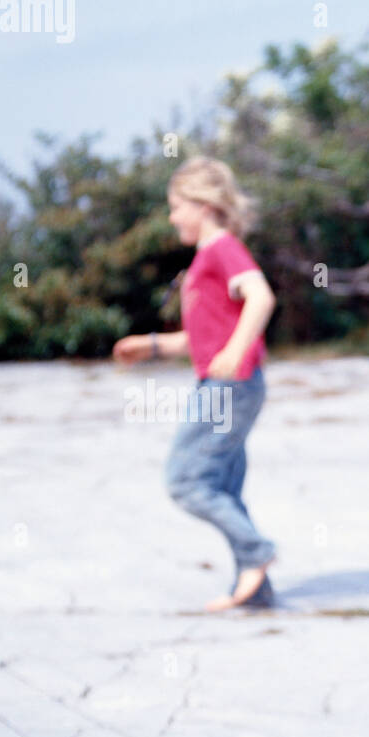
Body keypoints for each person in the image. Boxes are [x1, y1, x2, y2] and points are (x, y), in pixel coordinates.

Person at [112, 156, 277, 611]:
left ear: (204, 206)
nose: (172, 217)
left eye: (177, 206)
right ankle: (256, 589)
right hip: (234, 383)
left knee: (185, 481)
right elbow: (203, 336)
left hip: (229, 386)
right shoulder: (207, 258)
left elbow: (261, 299)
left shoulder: (222, 248)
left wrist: (233, 353)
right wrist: (149, 346)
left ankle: (258, 552)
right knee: (221, 487)